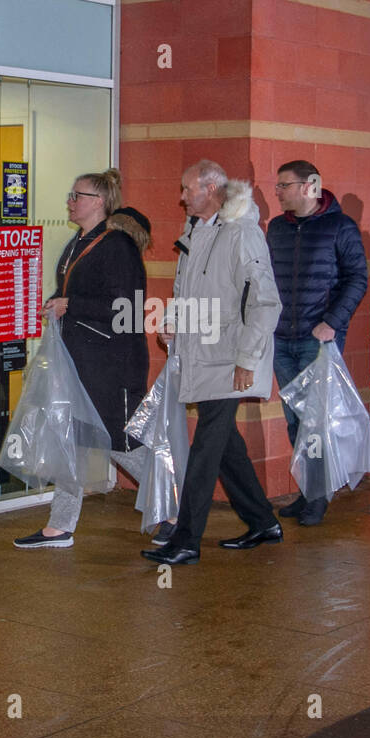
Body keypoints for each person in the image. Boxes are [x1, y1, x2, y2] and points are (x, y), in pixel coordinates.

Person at [140, 159, 282, 566]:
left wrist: (246, 359)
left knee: (205, 447)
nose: (182, 197)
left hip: (229, 358)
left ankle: (186, 539)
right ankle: (262, 521)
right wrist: (171, 324)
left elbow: (265, 301)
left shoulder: (243, 234)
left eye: (188, 189)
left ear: (212, 188)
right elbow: (188, 292)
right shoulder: (196, 231)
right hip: (204, 354)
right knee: (224, 446)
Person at [12, 169, 155, 549]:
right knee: (74, 440)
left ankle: (174, 505)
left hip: (113, 363)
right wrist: (58, 304)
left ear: (100, 203)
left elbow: (128, 308)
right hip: (80, 360)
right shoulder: (78, 243)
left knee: (119, 441)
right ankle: (59, 526)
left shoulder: (117, 246)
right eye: (71, 194)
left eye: (78, 195)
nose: (70, 201)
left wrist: (71, 305)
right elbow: (72, 293)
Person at [266, 159, 367, 526]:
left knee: (316, 420)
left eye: (284, 185)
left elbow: (358, 278)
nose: (278, 192)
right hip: (281, 339)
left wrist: (331, 323)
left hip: (317, 339)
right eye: (277, 186)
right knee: (295, 420)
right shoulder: (277, 228)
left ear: (309, 186)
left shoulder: (340, 227)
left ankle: (320, 495)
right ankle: (309, 489)